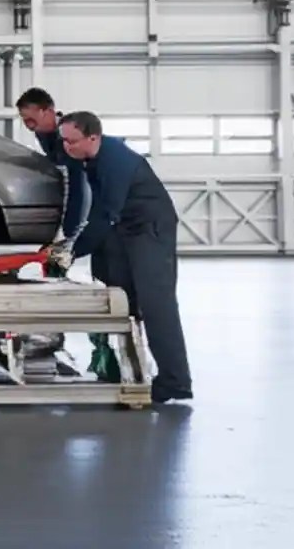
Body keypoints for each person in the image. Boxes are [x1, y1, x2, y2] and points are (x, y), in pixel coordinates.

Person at [57, 110, 193, 404]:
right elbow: (98, 210)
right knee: (119, 293)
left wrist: (71, 250)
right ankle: (124, 365)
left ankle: (176, 381)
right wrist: (73, 242)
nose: (67, 147)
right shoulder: (92, 157)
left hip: (149, 229)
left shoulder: (114, 162)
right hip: (125, 228)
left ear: (93, 137)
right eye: (63, 141)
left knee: (156, 304)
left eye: (71, 141)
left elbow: (105, 214)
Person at [14, 88, 97, 264]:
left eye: (32, 120)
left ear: (48, 112)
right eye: (24, 120)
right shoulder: (44, 133)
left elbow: (79, 186)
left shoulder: (70, 136)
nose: (29, 126)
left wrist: (69, 234)